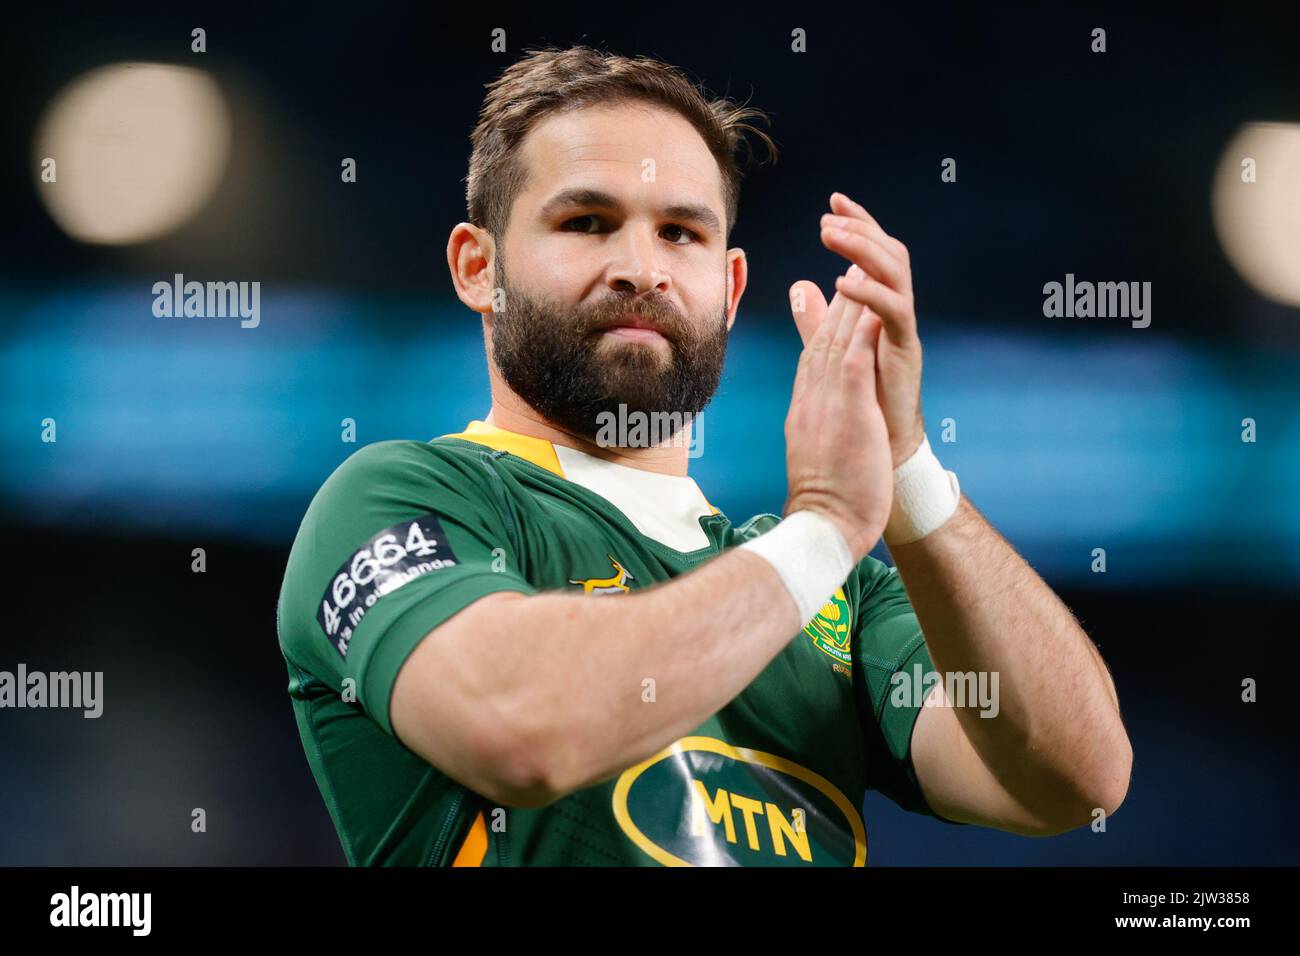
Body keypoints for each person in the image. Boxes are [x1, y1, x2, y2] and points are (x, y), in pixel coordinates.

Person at [276, 45, 1132, 866]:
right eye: (586, 221)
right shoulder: (402, 498)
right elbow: (520, 729)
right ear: (477, 267)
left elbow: (1077, 783)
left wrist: (907, 470)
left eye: (681, 234)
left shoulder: (846, 598)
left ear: (730, 290)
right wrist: (827, 527)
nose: (640, 268)